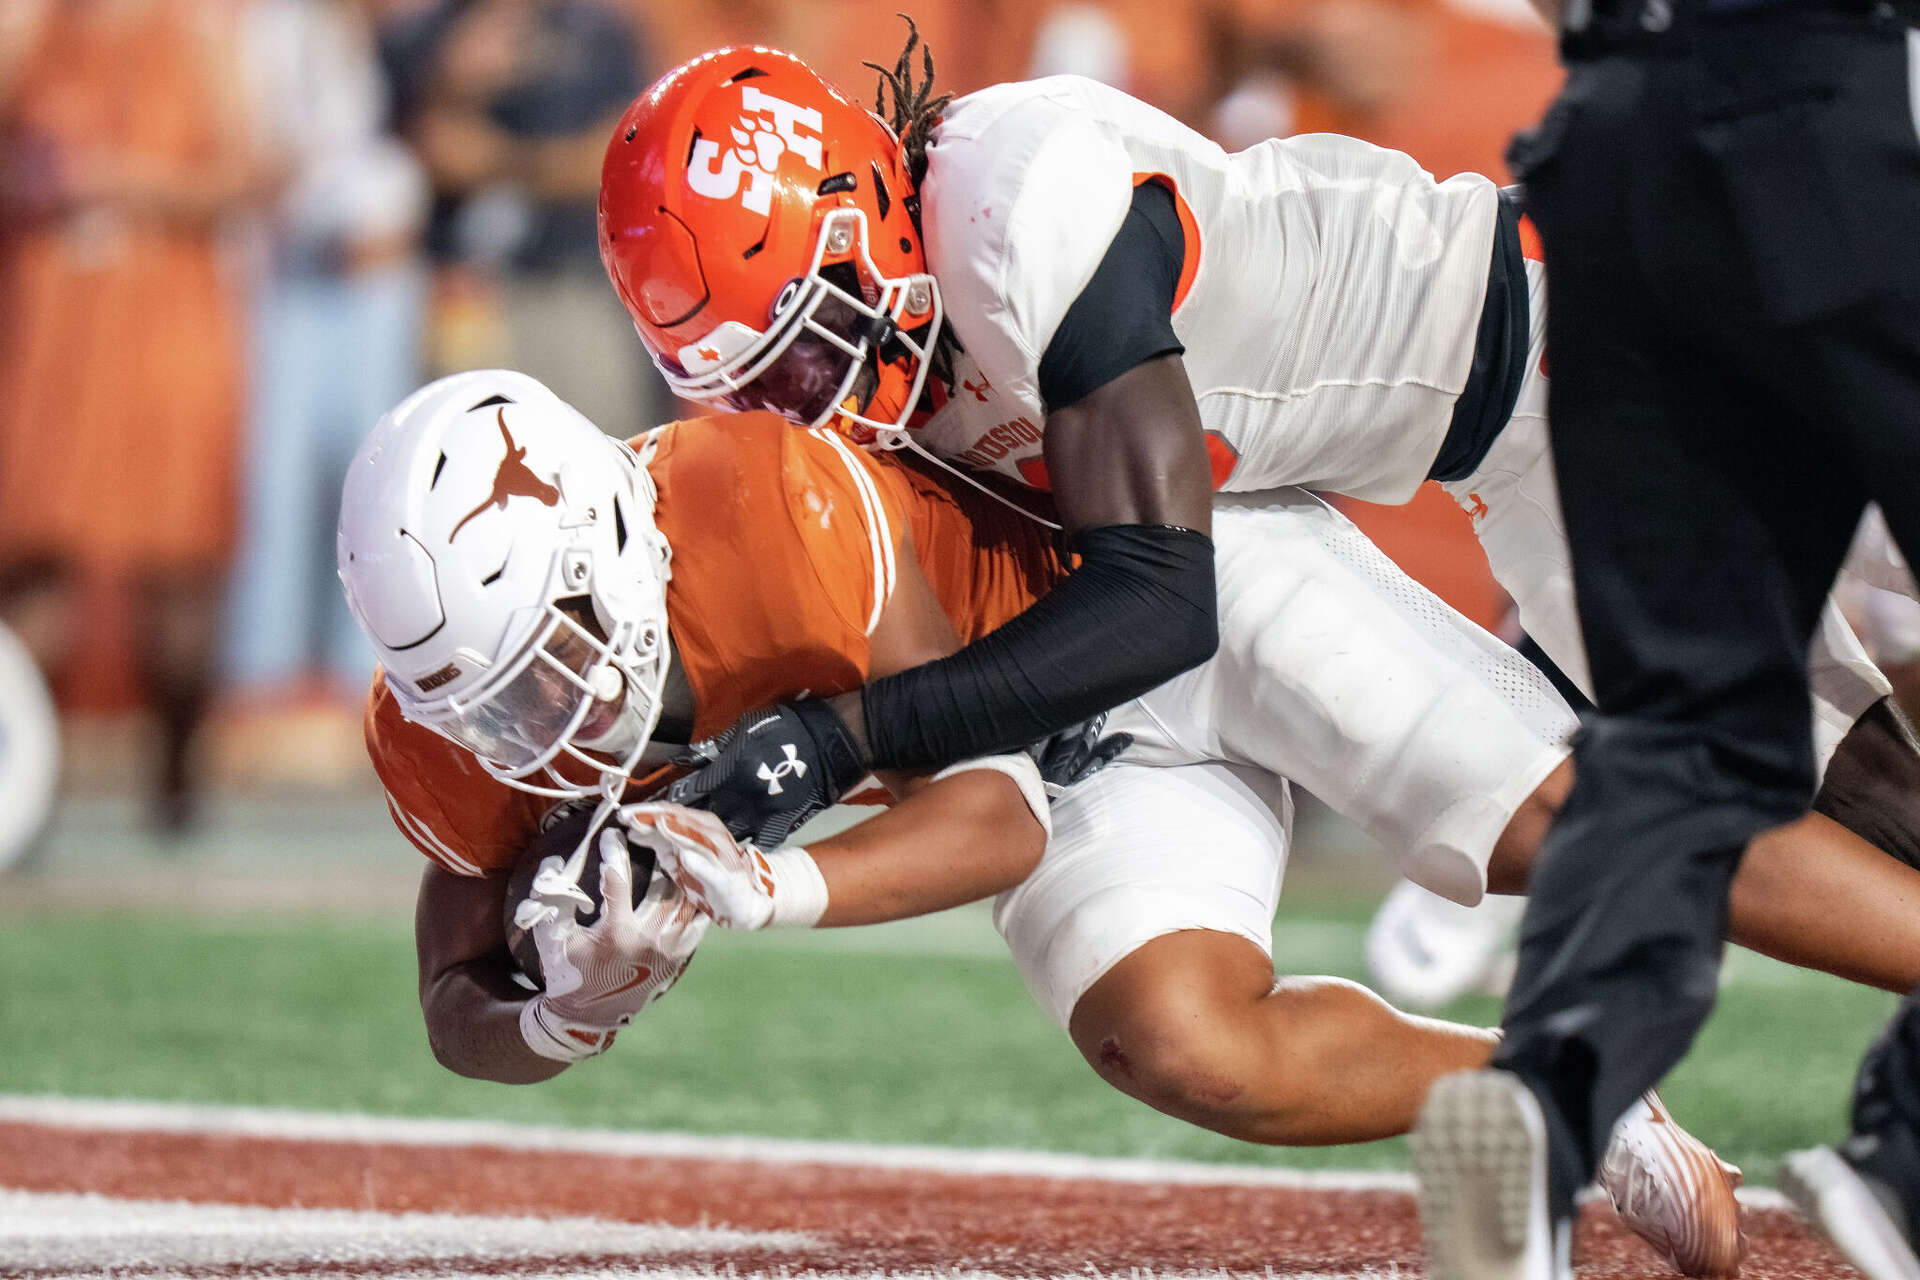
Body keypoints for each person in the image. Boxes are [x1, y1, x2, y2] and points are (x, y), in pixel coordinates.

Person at [345, 372, 1920, 1276]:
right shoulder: (459, 718)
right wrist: (560, 1014)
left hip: (1166, 593)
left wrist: (769, 885)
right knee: (1182, 1046)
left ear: (621, 547)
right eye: (488, 698)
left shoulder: (760, 506)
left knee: (1569, 829)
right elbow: (452, 1003)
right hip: (1075, 749)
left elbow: (988, 819)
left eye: (548, 657)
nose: (536, 724)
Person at [594, 34, 1918, 895]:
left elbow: (1162, 598)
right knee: (1833, 773)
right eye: (758, 382)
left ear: (863, 217)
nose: (807, 400)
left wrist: (842, 741)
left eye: (809, 347)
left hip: (1597, 319)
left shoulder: (1009, 201)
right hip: (1520, 458)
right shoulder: (908, 373)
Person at [1392, 0, 1920, 1262]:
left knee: (1688, 727)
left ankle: (1547, 1100)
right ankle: (1908, 1156)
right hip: (1853, 109)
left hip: (1616, 144)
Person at [0, 0, 264, 830]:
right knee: (34, 560)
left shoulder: (202, 30)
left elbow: (245, 174)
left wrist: (126, 182)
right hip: (57, 324)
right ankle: (21, 783)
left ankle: (178, 782)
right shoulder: (36, 28)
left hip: (170, 319)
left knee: (181, 562)